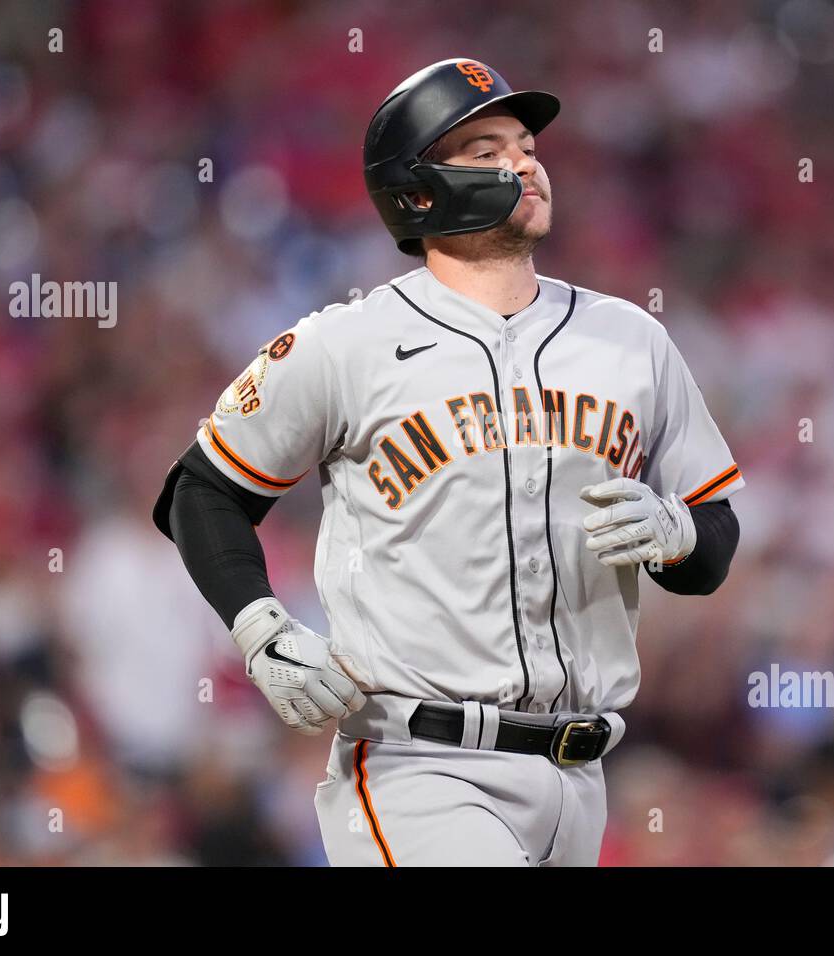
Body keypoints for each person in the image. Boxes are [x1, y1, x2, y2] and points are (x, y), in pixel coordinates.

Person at [154, 58, 744, 866]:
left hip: (581, 778)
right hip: (418, 763)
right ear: (417, 188)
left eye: (527, 144)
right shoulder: (346, 344)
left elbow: (711, 543)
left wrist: (677, 532)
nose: (524, 162)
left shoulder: (631, 340)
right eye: (485, 149)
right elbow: (201, 491)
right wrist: (261, 629)